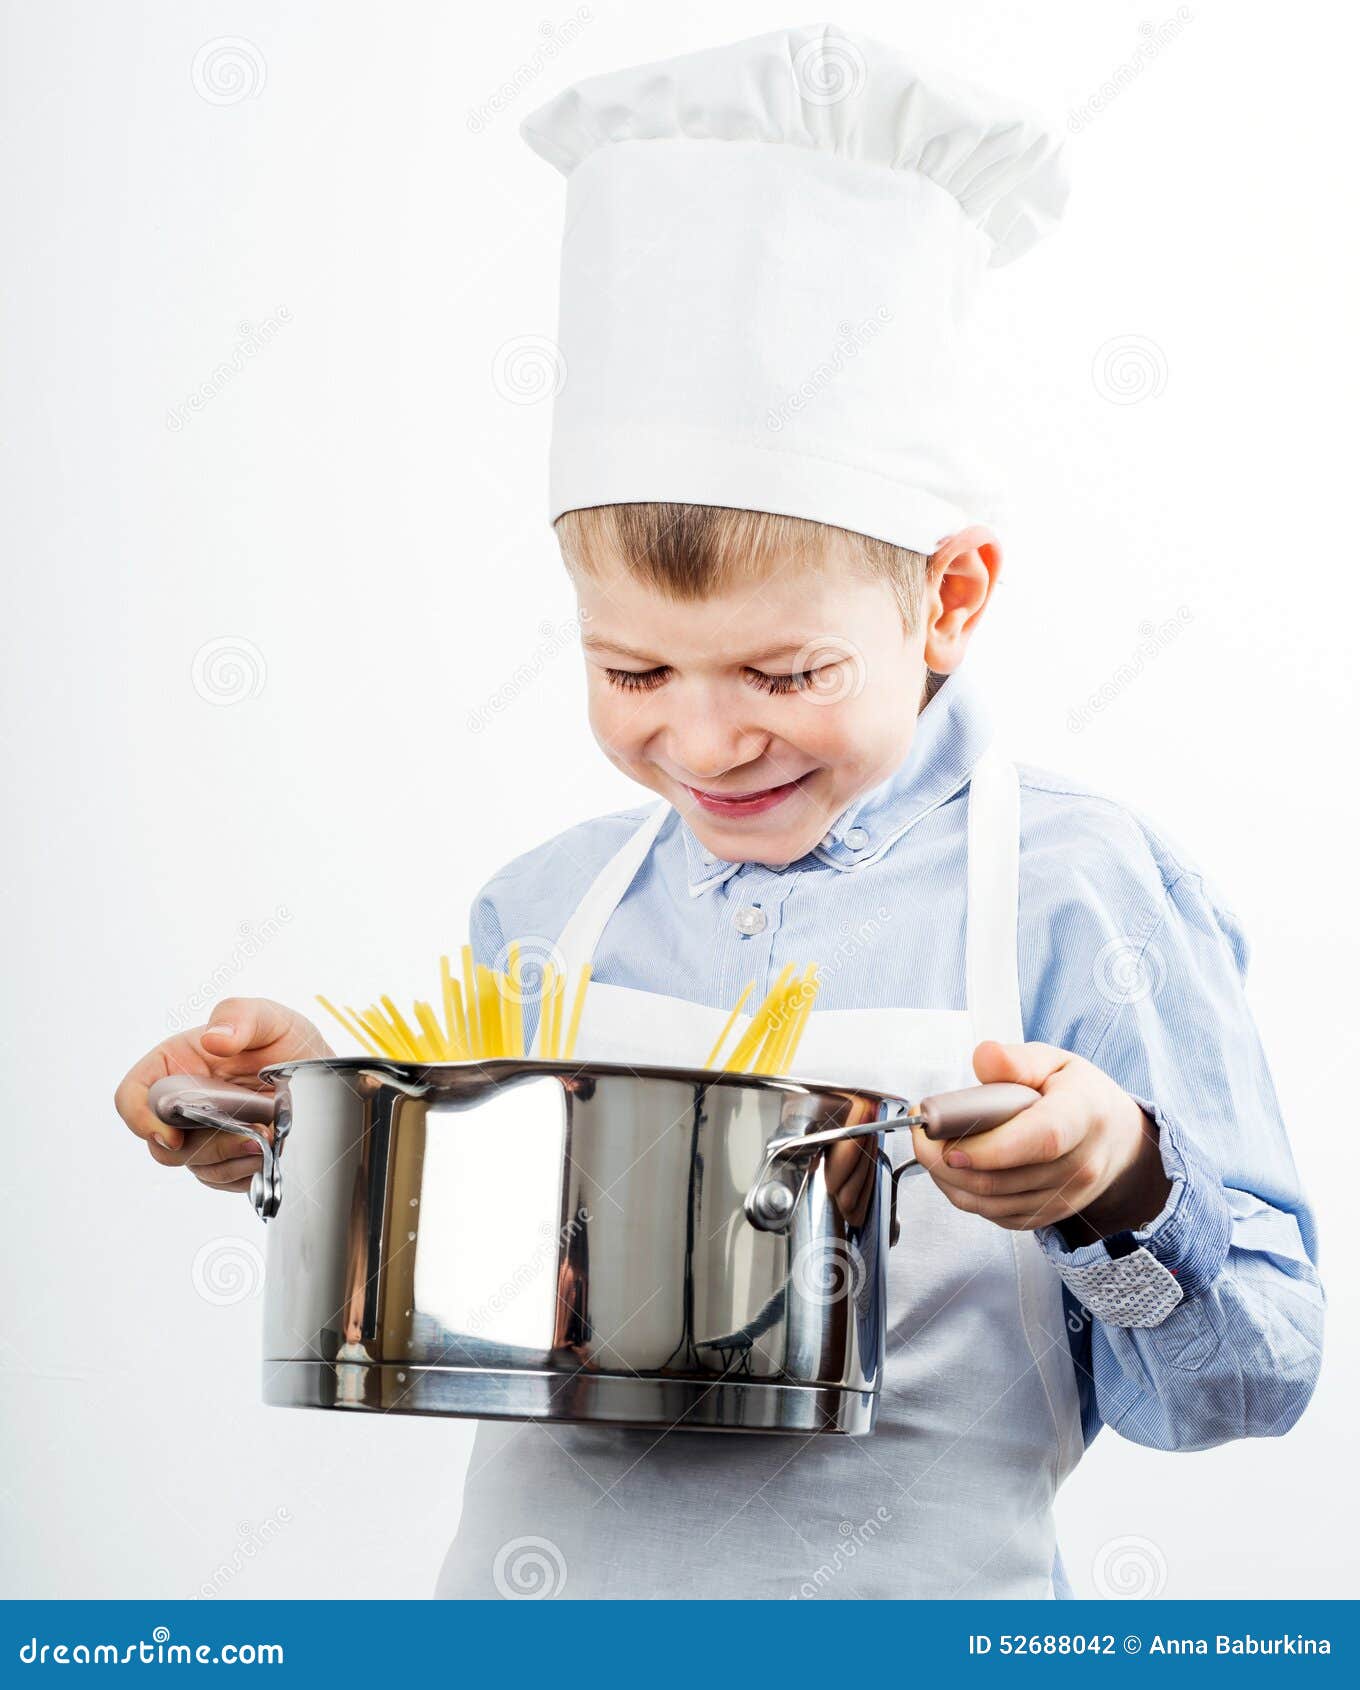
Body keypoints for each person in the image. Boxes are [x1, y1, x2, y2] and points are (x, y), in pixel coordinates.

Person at [114, 24, 1322, 1599]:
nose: (702, 736)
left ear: (949, 599)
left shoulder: (1079, 892)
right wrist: (311, 1119)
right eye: (631, 668)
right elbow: (467, 1299)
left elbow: (1259, 1378)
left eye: (782, 666)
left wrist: (1119, 1183)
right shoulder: (545, 914)